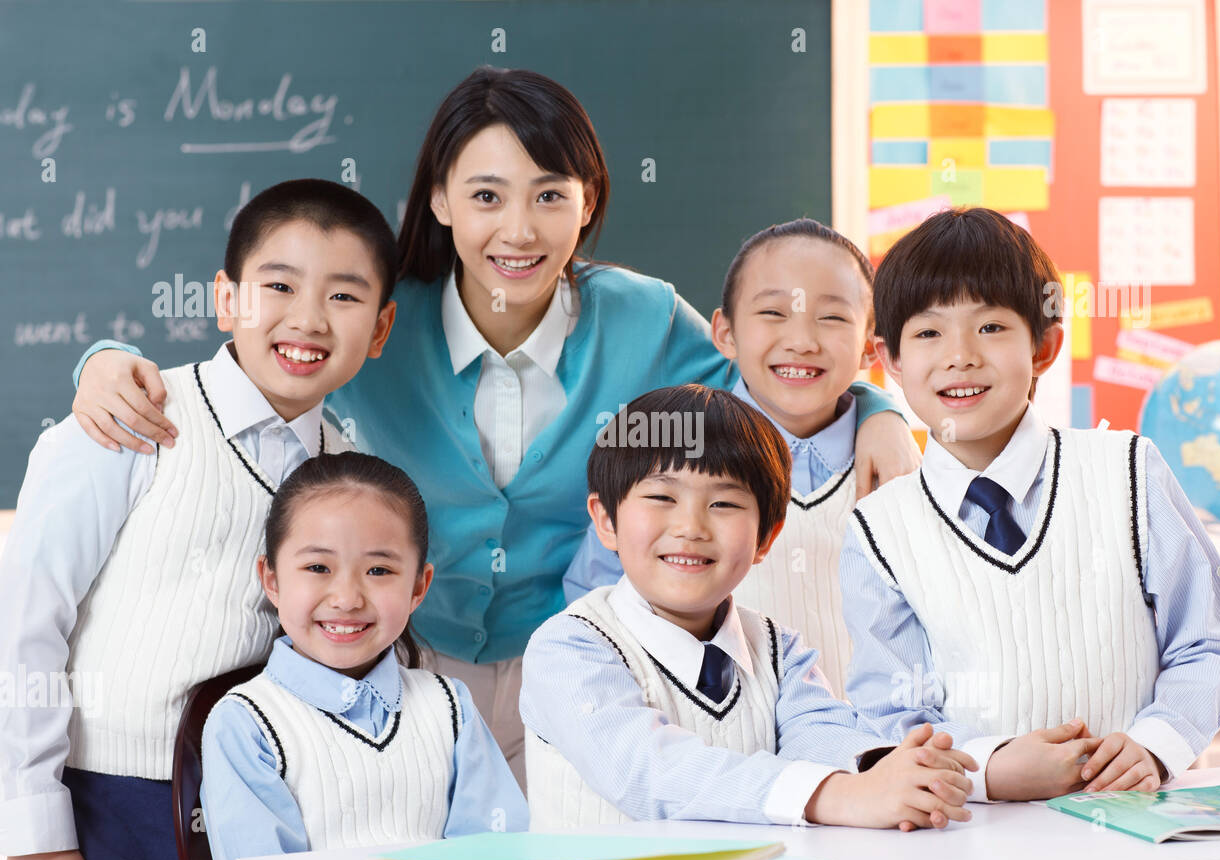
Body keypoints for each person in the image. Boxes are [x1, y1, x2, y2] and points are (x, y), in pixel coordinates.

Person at [65, 67, 921, 785]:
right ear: (439, 200)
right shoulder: (375, 317)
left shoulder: (644, 319)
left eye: (551, 195)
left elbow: (775, 379)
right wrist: (100, 359)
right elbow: (251, 354)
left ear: (588, 204)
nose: (519, 230)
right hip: (394, 667)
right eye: (485, 195)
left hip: (588, 665)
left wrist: (880, 409)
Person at [0, 180, 399, 860]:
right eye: (278, 286)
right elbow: (23, 626)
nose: (308, 320)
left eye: (343, 295)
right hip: (108, 804)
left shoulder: (356, 474)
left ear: (381, 329)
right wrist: (33, 833)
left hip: (273, 812)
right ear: (225, 300)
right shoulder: (127, 420)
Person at [842, 207, 1220, 802]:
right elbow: (891, 710)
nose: (959, 355)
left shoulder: (1125, 472)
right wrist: (988, 768)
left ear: (1044, 347)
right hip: (975, 835)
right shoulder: (879, 530)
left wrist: (1156, 742)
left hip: (1138, 818)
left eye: (990, 327)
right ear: (890, 360)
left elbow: (1218, 642)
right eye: (928, 332)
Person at [521, 385, 975, 830]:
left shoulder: (778, 649)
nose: (690, 526)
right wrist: (839, 795)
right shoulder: (569, 648)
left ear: (766, 538)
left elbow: (816, 733)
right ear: (606, 520)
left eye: (723, 503)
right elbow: (648, 771)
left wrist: (887, 767)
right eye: (662, 497)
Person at [564, 218, 880, 699]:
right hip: (706, 745)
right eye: (773, 313)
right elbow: (593, 608)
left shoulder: (897, 468)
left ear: (870, 346)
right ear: (725, 333)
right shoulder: (659, 447)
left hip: (874, 752)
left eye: (833, 318)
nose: (801, 341)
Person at [200, 452, 526, 860]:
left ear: (418, 587)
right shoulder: (245, 724)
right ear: (272, 579)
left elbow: (496, 852)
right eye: (318, 566)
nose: (347, 598)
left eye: (379, 571)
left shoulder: (450, 707)